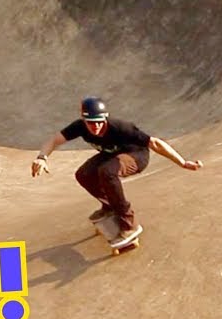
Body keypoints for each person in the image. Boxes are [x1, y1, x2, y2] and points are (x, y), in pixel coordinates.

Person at [30, 96, 202, 247]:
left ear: (105, 118)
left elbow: (155, 143)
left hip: (136, 155)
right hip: (112, 155)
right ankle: (110, 206)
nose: (96, 127)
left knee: (107, 172)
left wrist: (182, 162)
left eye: (100, 122)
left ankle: (130, 224)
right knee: (83, 174)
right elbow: (54, 140)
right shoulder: (79, 127)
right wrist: (42, 157)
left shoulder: (120, 127)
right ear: (84, 120)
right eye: (91, 123)